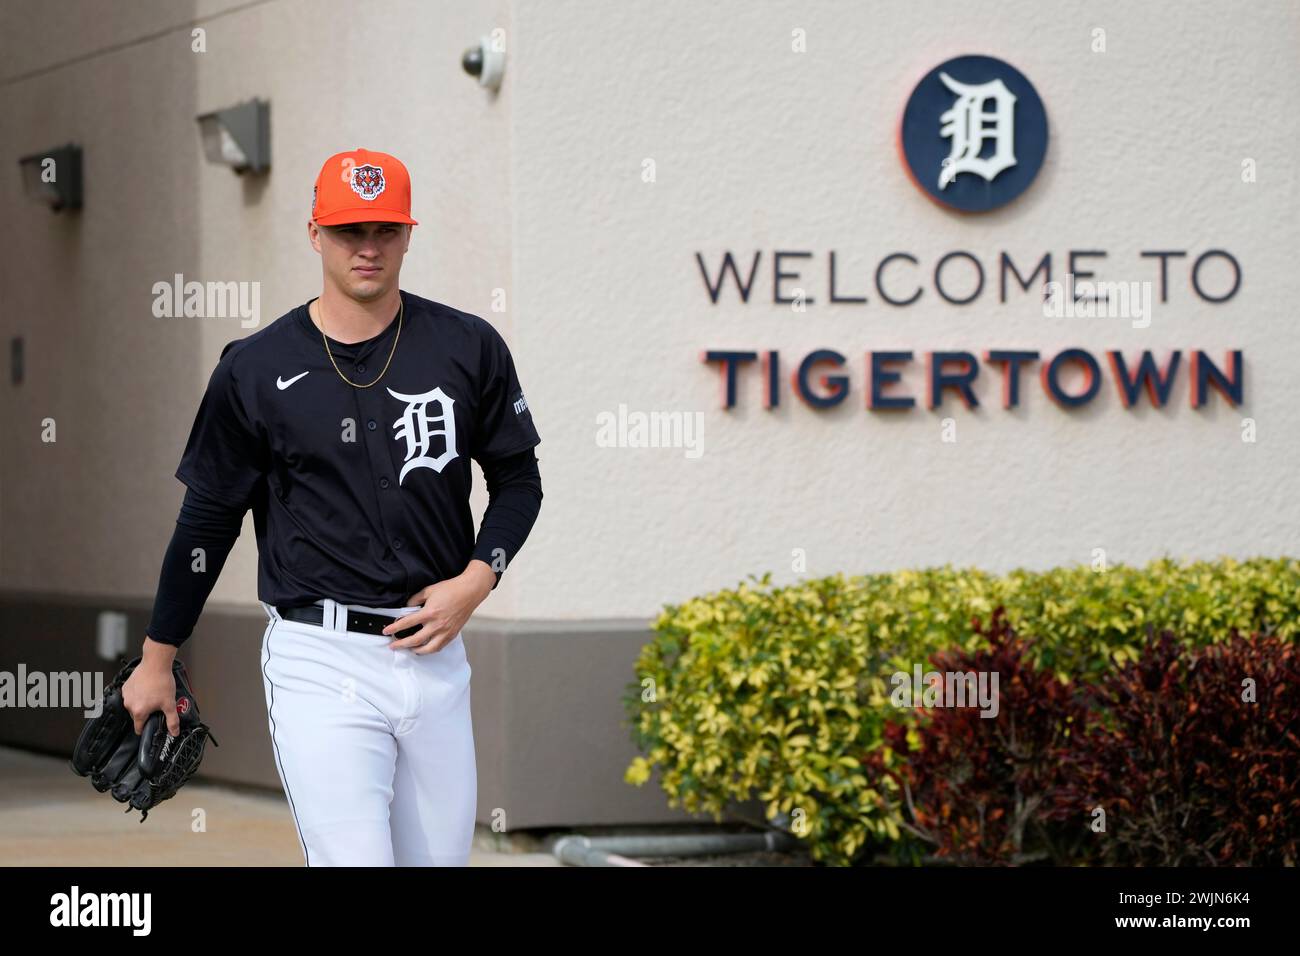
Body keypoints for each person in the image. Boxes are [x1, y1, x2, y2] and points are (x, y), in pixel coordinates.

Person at [122, 147, 543, 866]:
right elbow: (208, 523)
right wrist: (157, 658)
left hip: (437, 656)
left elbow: (518, 481)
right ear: (315, 233)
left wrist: (478, 580)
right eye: (350, 230)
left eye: (384, 229)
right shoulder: (253, 368)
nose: (369, 247)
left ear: (409, 233)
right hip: (321, 658)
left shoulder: (467, 346)